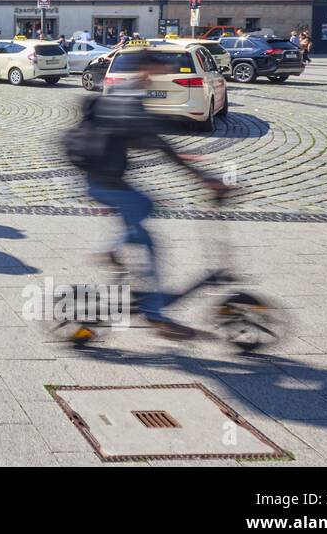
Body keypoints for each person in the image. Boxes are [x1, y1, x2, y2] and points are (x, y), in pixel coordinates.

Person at [69, 51, 227, 339]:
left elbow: (138, 137)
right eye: (160, 67)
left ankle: (114, 250)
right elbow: (158, 144)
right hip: (106, 183)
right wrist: (205, 179)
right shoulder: (130, 100)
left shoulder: (124, 91)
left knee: (145, 208)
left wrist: (183, 159)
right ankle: (156, 317)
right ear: (146, 68)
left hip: (102, 179)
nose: (164, 72)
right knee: (148, 236)